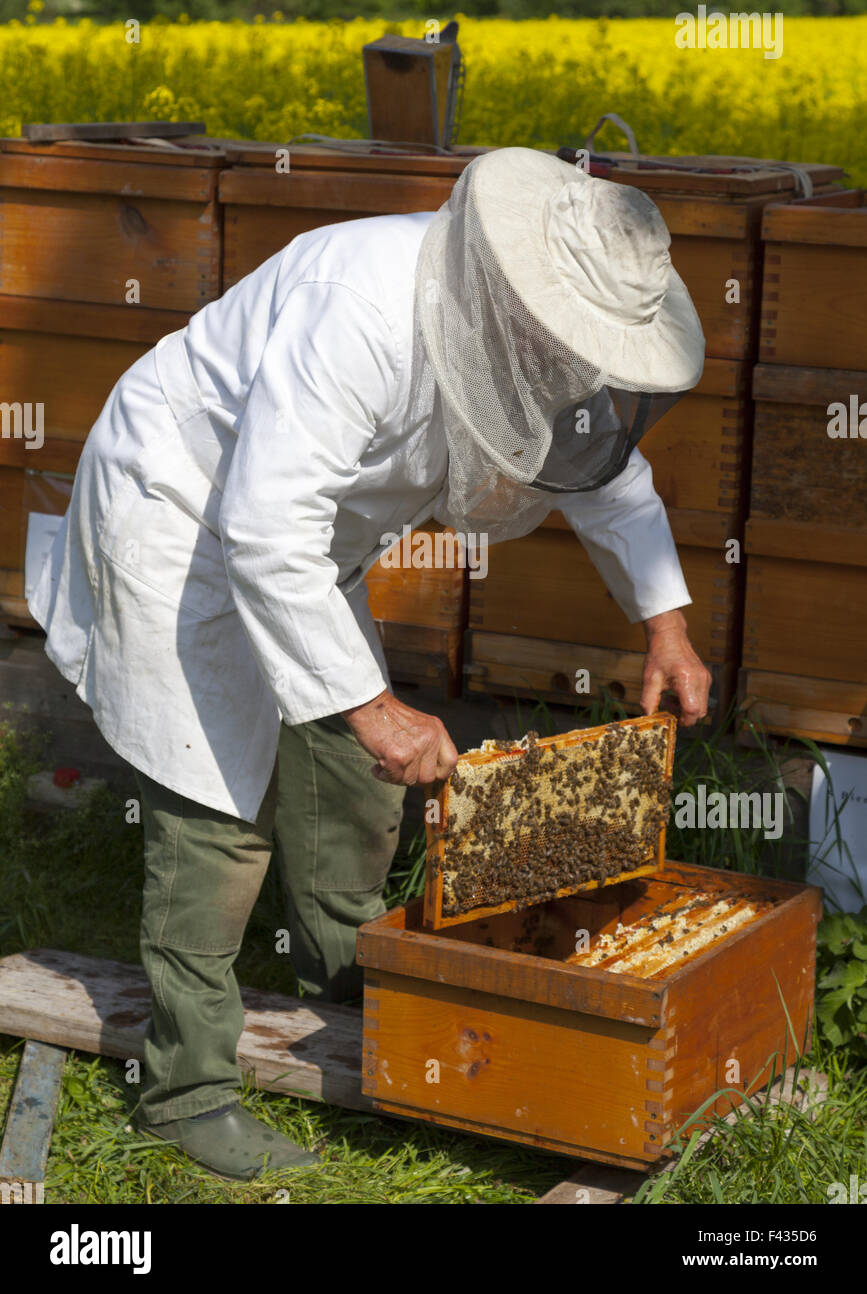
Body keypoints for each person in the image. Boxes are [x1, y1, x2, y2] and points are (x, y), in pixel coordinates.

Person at [29, 146, 711, 1179]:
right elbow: (261, 526)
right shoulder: (358, 307)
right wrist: (377, 707)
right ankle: (188, 1086)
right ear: (520, 294)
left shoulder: (538, 343)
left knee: (347, 777)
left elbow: (600, 470)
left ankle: (347, 976)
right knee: (213, 804)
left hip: (307, 537)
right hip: (185, 512)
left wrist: (665, 619)